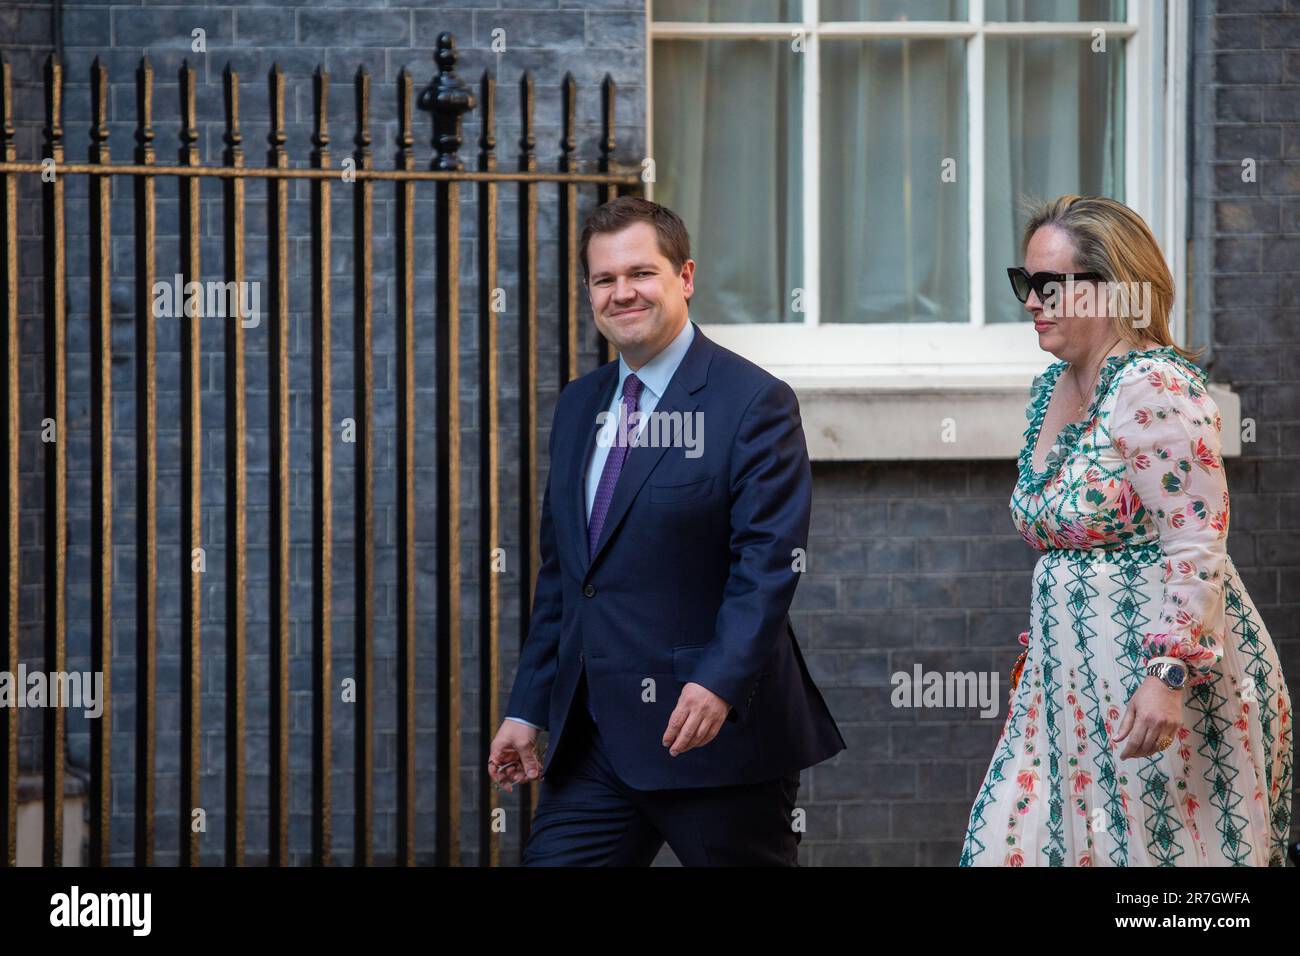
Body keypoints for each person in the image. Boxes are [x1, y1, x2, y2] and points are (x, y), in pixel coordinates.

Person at [487, 197, 846, 866]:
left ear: (684, 276)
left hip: (710, 739)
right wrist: (528, 706)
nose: (622, 292)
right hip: (592, 745)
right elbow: (565, 575)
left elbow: (766, 565)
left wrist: (718, 681)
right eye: (603, 279)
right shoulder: (578, 405)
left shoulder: (752, 402)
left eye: (641, 273)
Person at [960, 195, 1292, 866]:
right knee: (1009, 844)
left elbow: (1197, 540)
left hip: (1158, 686)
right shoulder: (1054, 386)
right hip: (1067, 687)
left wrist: (1167, 675)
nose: (1031, 300)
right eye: (1025, 282)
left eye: (1049, 284)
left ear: (1114, 288)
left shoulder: (1154, 386)